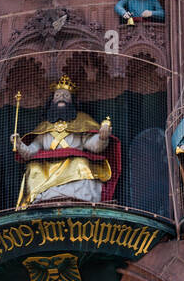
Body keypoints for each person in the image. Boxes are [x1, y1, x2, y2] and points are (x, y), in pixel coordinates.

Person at [12, 76, 119, 208]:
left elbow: (92, 145)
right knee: (33, 168)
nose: (61, 97)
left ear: (71, 100)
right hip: (47, 165)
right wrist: (19, 145)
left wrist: (102, 137)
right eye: (57, 95)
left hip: (74, 161)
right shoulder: (44, 126)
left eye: (65, 95)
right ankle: (43, 199)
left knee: (80, 163)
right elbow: (31, 151)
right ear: (52, 101)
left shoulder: (83, 120)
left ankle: (78, 197)